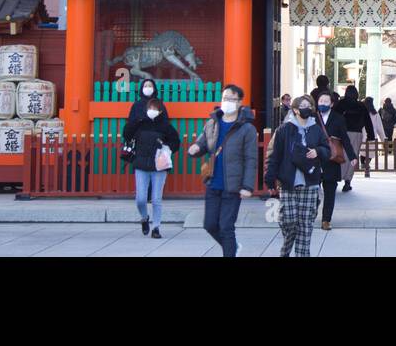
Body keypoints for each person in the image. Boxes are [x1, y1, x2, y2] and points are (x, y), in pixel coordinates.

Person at [187, 84, 257, 258]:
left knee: (226, 227)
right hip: (213, 182)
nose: (227, 102)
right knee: (210, 224)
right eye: (224, 98)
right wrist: (195, 147)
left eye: (231, 99)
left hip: (233, 186)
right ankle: (232, 247)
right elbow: (203, 143)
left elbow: (251, 159)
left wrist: (247, 186)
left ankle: (230, 251)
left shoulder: (247, 129)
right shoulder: (212, 123)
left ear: (240, 102)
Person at [264, 94, 330, 257]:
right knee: (289, 220)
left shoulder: (316, 129)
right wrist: (270, 178)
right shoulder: (283, 130)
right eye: (303, 105)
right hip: (288, 183)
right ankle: (287, 245)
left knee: (305, 225)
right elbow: (273, 156)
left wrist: (318, 151)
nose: (306, 108)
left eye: (309, 105)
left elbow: (327, 150)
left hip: (311, 183)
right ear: (294, 109)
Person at [120, 95, 180, 239]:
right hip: (141, 164)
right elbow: (126, 134)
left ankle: (156, 227)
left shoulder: (165, 126)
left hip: (159, 165)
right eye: (150, 108)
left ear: (160, 111)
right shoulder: (140, 123)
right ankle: (144, 217)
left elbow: (175, 142)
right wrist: (135, 120)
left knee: (156, 198)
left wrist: (166, 148)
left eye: (155, 108)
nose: (152, 110)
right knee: (140, 198)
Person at [315, 90, 354, 230]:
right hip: (314, 158)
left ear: (331, 104)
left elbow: (344, 138)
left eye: (326, 102)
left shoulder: (338, 118)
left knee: (330, 191)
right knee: (312, 189)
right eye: (320, 101)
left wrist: (352, 156)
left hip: (332, 159)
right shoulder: (312, 118)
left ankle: (326, 219)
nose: (322, 104)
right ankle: (312, 212)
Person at [333, 85, 367, 191]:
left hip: (341, 132)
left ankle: (337, 176)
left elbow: (333, 117)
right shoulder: (361, 105)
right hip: (356, 133)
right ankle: (348, 181)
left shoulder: (341, 104)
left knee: (339, 154)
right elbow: (367, 121)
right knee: (352, 156)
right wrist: (370, 135)